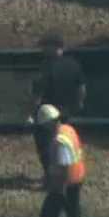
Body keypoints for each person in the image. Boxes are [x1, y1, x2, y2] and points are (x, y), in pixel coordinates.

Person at [33, 104, 86, 217]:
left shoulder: (59, 141)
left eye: (44, 127)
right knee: (73, 216)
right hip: (76, 179)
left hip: (64, 184)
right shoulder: (67, 129)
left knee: (48, 216)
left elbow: (63, 166)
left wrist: (57, 189)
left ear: (48, 124)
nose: (43, 131)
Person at [31, 33, 86, 171]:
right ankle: (67, 172)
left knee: (45, 144)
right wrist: (79, 103)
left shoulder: (46, 66)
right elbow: (81, 88)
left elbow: (38, 90)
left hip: (48, 112)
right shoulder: (73, 64)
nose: (43, 50)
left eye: (45, 46)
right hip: (68, 111)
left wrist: (33, 111)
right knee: (66, 142)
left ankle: (50, 173)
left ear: (53, 47)